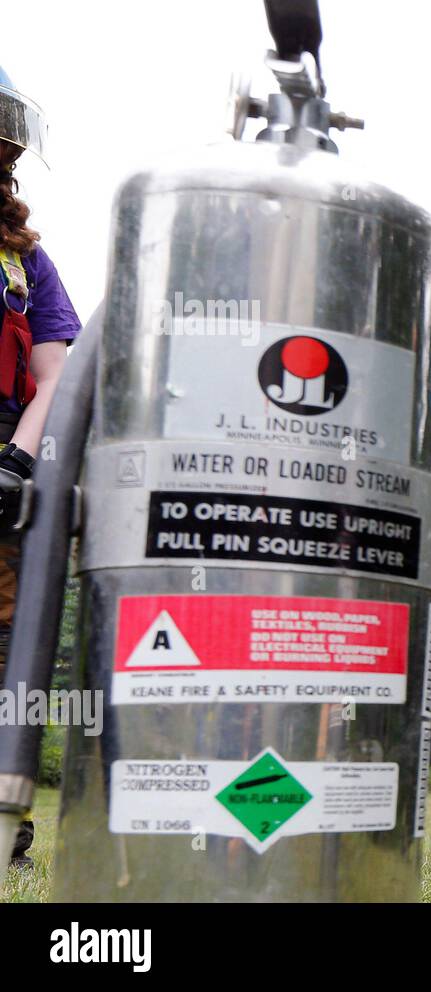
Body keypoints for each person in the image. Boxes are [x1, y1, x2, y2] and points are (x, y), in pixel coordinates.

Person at [0, 65, 81, 871]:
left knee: (5, 652)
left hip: (4, 464)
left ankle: (4, 839)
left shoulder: (25, 262)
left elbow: (57, 376)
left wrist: (18, 463)